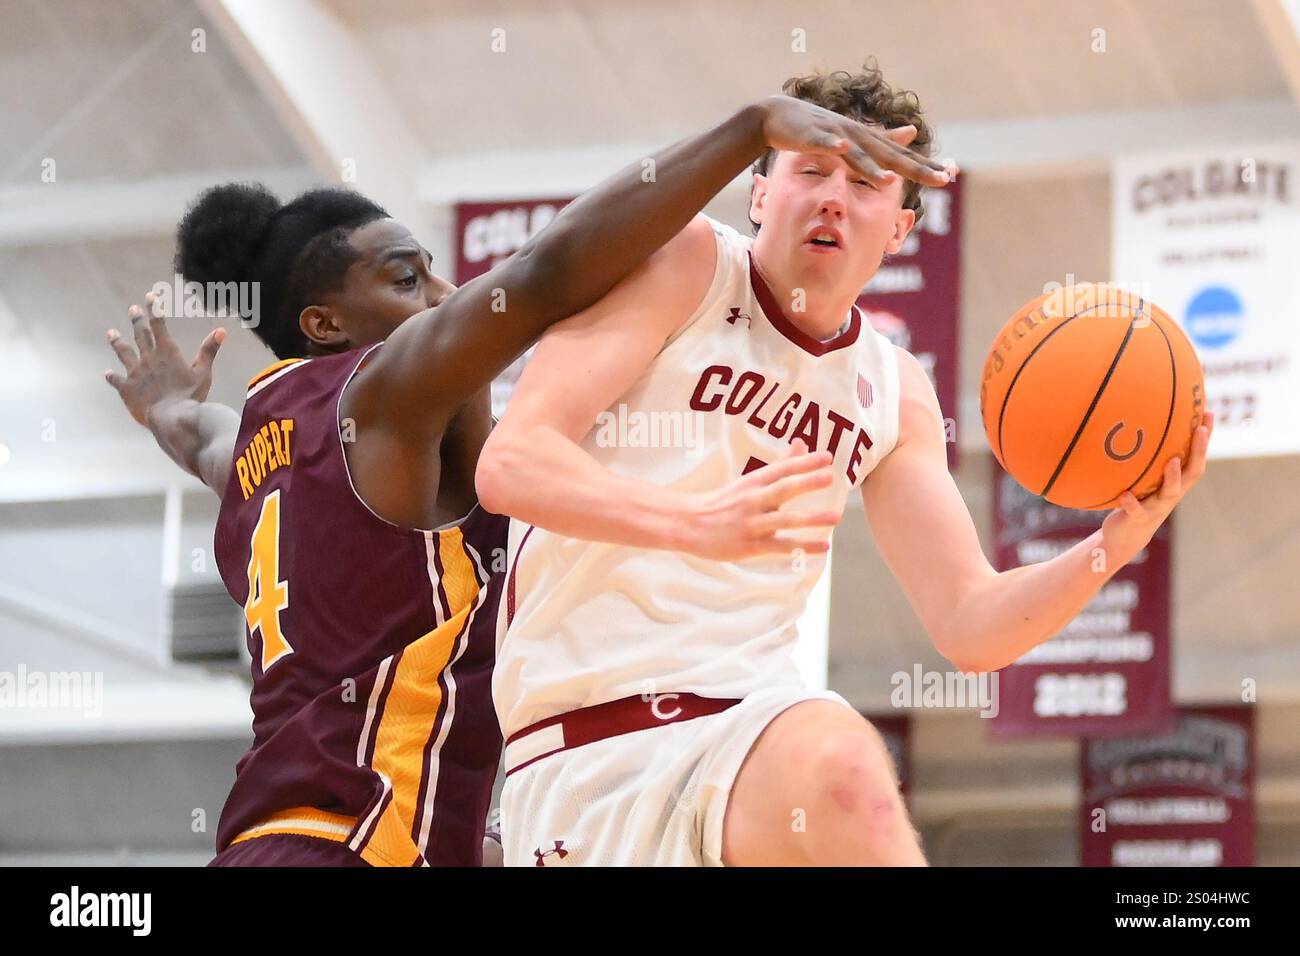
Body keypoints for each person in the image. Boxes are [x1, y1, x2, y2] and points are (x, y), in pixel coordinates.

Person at [104, 93, 952, 866]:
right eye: (407, 279)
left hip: (270, 834)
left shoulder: (255, 433)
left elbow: (195, 434)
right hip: (355, 841)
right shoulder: (392, 394)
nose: (447, 292)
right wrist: (747, 130)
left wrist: (164, 406)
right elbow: (541, 276)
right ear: (326, 325)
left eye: (435, 270)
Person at [475, 63, 1212, 866]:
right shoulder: (687, 263)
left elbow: (973, 624)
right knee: (839, 763)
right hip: (593, 748)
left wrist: (1117, 540)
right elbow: (512, 462)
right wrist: (696, 522)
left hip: (752, 728)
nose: (834, 196)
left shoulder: (893, 388)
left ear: (899, 229)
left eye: (865, 184)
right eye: (812, 169)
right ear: (760, 195)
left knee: (846, 768)